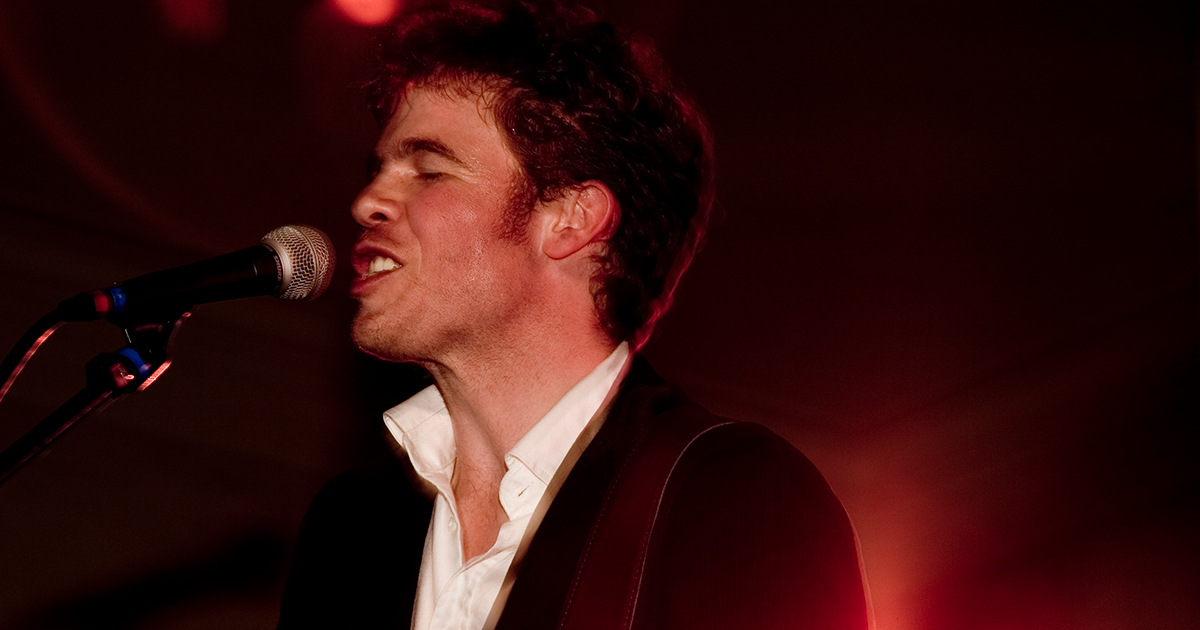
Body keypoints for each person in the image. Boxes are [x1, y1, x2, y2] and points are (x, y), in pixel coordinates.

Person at [277, 1, 869, 629]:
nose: (368, 200)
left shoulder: (736, 498)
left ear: (571, 220)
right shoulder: (349, 530)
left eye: (429, 169)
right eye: (378, 170)